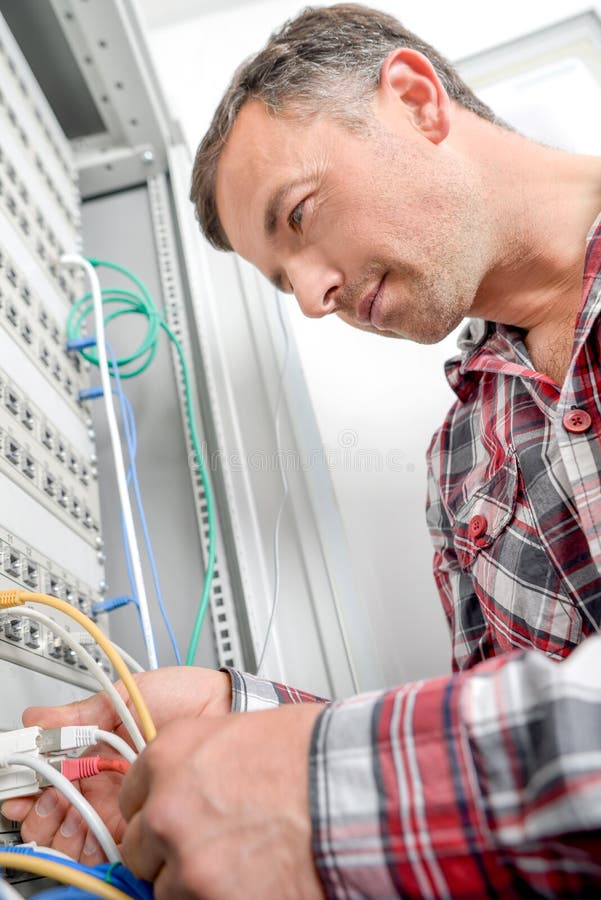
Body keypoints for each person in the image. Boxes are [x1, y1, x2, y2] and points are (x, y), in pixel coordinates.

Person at [4, 3, 601, 897]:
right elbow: (482, 737)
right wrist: (233, 723)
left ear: (413, 100)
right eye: (281, 282)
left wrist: (312, 791)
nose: (314, 295)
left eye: (300, 215)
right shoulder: (459, 465)